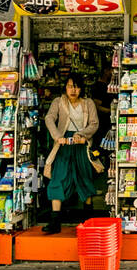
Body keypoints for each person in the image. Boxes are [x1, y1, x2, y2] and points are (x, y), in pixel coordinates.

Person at [42, 73, 99, 234]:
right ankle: (55, 222)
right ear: (65, 88)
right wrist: (58, 136)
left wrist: (83, 135)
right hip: (63, 146)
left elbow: (94, 123)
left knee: (84, 179)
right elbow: (49, 118)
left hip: (81, 145)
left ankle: (88, 221)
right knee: (57, 179)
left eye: (76, 86)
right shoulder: (58, 102)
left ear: (81, 88)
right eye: (70, 86)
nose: (73, 90)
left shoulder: (88, 104)